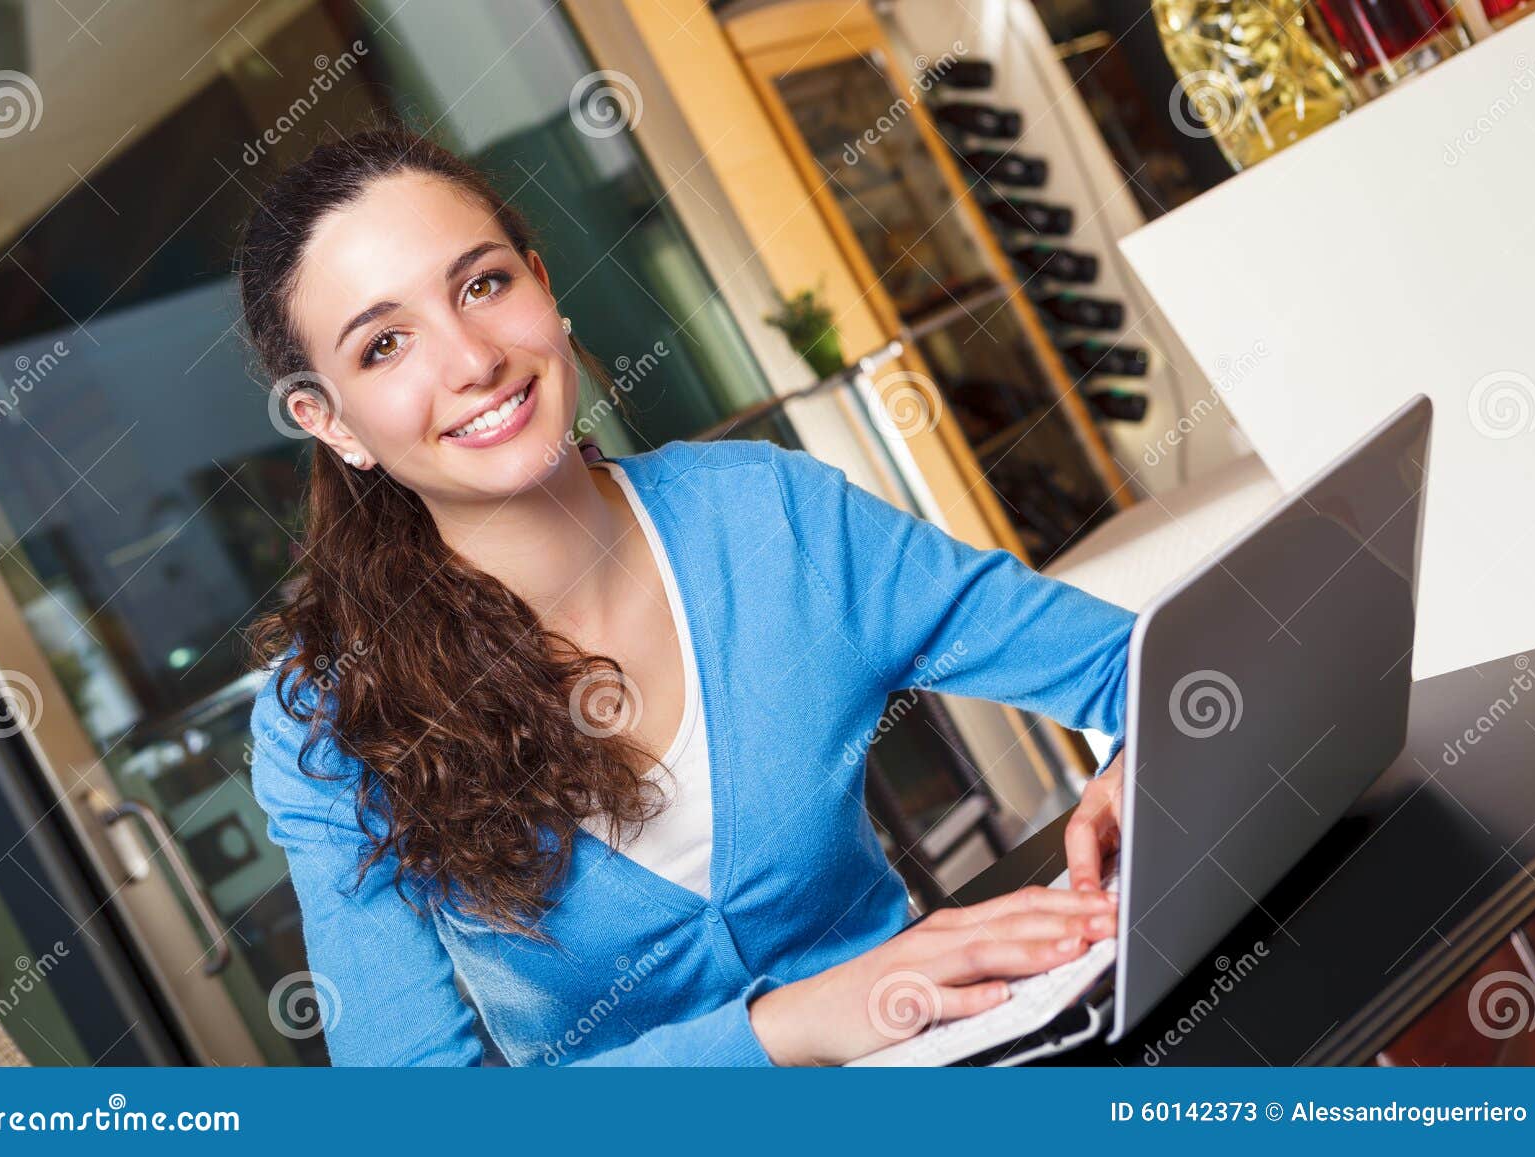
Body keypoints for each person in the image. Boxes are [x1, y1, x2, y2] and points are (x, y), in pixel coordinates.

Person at [239, 126, 1130, 1067]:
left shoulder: (767, 514)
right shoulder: (325, 724)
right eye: (385, 345)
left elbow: (1136, 668)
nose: (471, 360)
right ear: (330, 422)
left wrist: (1140, 761)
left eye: (483, 285)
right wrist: (785, 1030)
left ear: (543, 285)